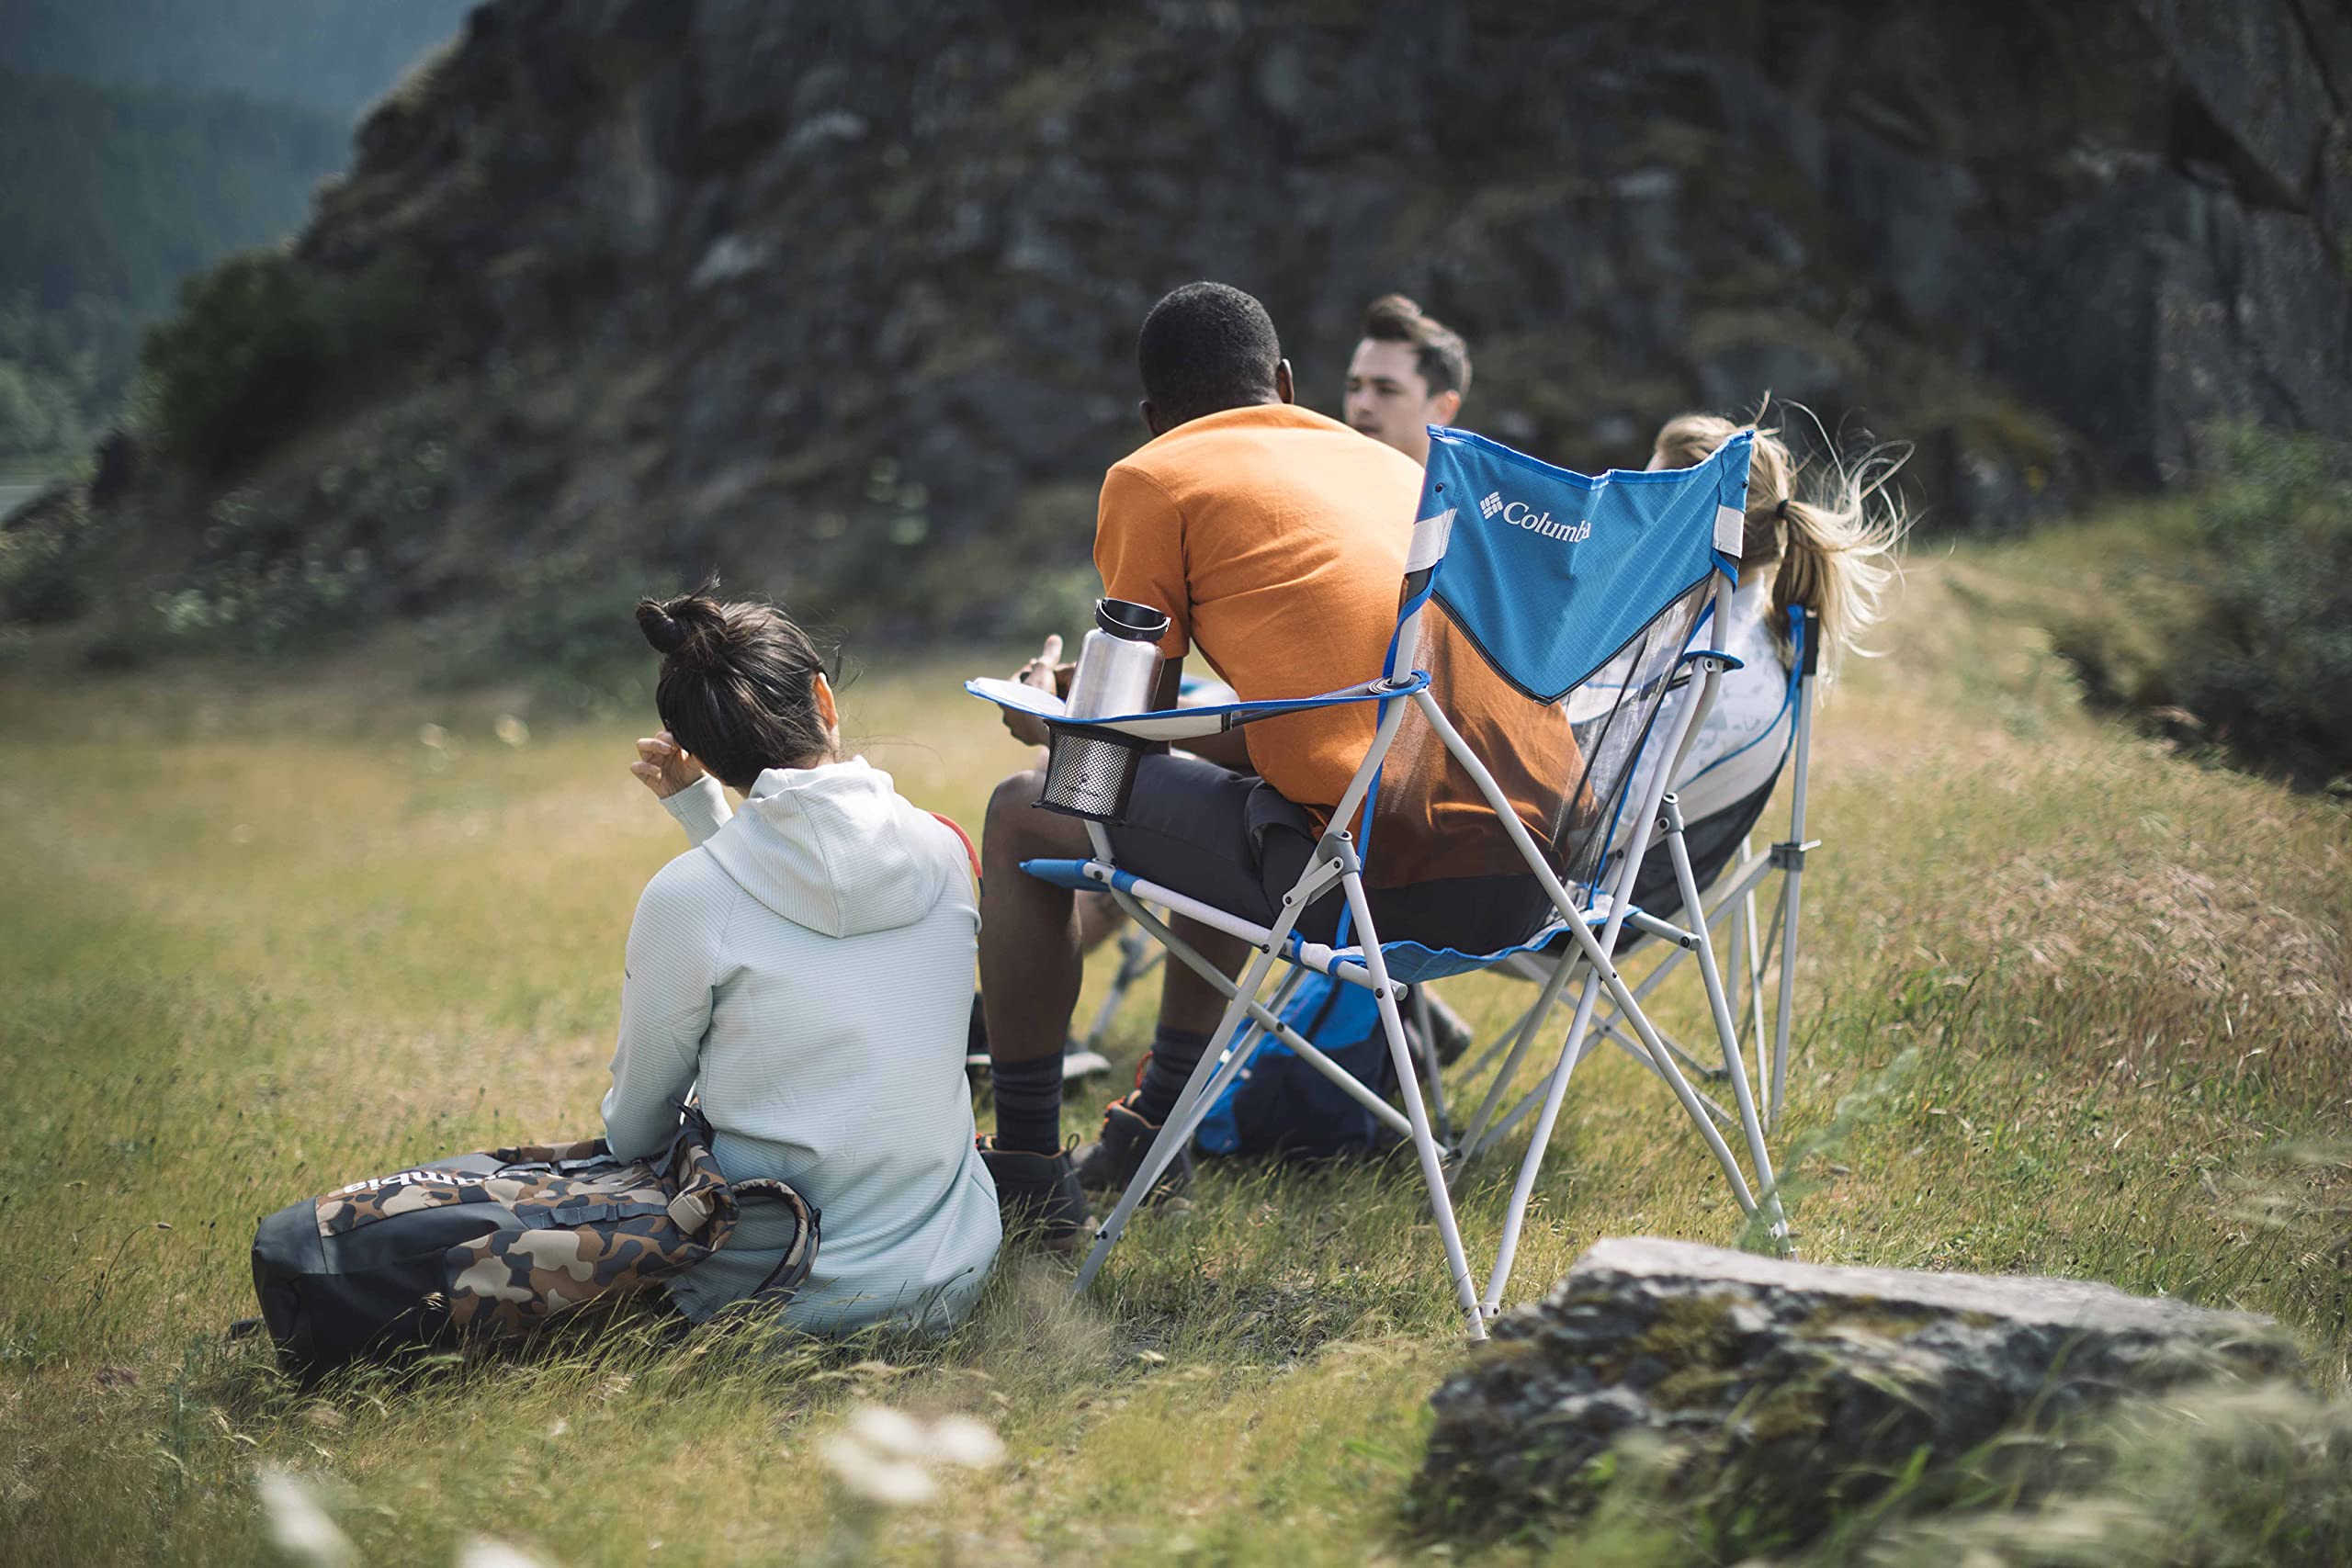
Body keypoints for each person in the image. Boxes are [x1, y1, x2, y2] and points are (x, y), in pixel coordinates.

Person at [976, 283, 1563, 1245]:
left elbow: (1117, 751)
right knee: (1238, 797)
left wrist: (1054, 720)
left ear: (1152, 418)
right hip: (1533, 876)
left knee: (1019, 809)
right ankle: (1152, 1132)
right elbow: (1345, 717)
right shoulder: (1388, 467)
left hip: (1377, 888)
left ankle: (1029, 1173)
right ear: (1285, 385)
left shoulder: (1151, 476)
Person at [610, 585, 999, 1333]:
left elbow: (636, 1130)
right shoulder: (947, 850)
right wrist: (707, 823)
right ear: (823, 696)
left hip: (767, 1290)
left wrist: (703, 823)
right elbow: (816, 920)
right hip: (953, 1270)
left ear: (703, 750)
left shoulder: (685, 898)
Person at [1629, 410, 1904, 890]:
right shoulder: (1738, 642)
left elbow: (1607, 808)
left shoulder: (1711, 670)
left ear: (1689, 530)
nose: (1633, 521)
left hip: (1557, 898)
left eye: (1650, 503)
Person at [1342, 293, 1470, 467]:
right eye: (1354, 387)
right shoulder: (1310, 487)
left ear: (1443, 409)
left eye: (1386, 390)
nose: (1362, 404)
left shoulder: (1481, 492)